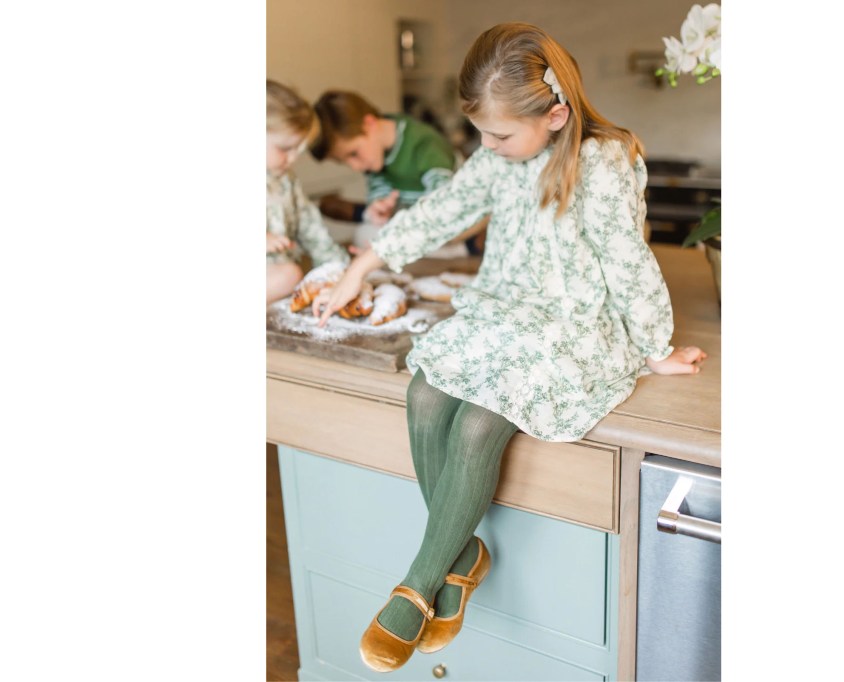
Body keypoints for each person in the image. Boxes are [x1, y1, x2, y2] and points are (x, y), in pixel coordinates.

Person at [312, 23, 707, 673]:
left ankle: (417, 581)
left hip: (574, 321)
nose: (487, 147)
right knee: (425, 391)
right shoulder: (497, 156)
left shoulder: (605, 160)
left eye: (498, 135)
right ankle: (461, 554)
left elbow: (627, 260)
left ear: (555, 116)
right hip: (504, 307)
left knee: (475, 427)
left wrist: (654, 345)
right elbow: (444, 208)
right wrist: (363, 267)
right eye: (482, 135)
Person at [310, 90, 457, 228]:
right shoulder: (374, 156)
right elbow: (378, 190)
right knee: (365, 234)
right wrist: (378, 206)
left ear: (369, 124)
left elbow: (443, 202)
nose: (355, 167)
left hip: (440, 220)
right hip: (406, 218)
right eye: (342, 162)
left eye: (353, 154)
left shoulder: (425, 144)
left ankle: (462, 247)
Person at [266, 80, 349, 303]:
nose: (293, 159)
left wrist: (342, 270)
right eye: (285, 149)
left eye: (298, 150)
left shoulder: (285, 180)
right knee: (290, 274)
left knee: (293, 275)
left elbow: (312, 231)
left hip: (276, 286)